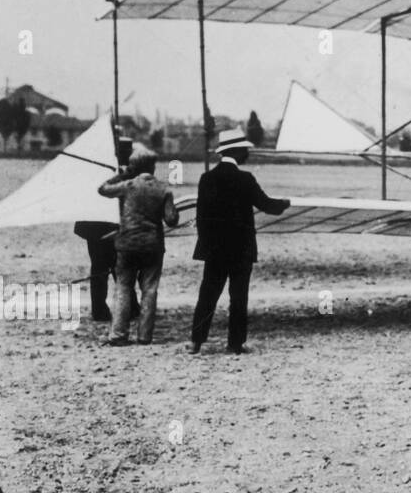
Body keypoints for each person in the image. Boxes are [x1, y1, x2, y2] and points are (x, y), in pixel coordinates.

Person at [186, 128, 290, 355]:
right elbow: (267, 205)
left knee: (208, 295)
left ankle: (196, 341)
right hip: (241, 249)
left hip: (214, 250)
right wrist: (285, 203)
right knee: (239, 297)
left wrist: (207, 245)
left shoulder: (207, 179)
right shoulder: (245, 179)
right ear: (237, 151)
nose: (248, 154)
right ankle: (234, 344)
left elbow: (201, 218)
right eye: (245, 150)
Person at [96, 144, 179, 346]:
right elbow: (171, 220)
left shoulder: (129, 185)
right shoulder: (164, 189)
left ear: (134, 166)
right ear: (152, 167)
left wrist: (122, 174)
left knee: (123, 288)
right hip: (153, 246)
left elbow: (102, 189)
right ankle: (145, 336)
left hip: (127, 245)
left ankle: (118, 335)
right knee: (150, 290)